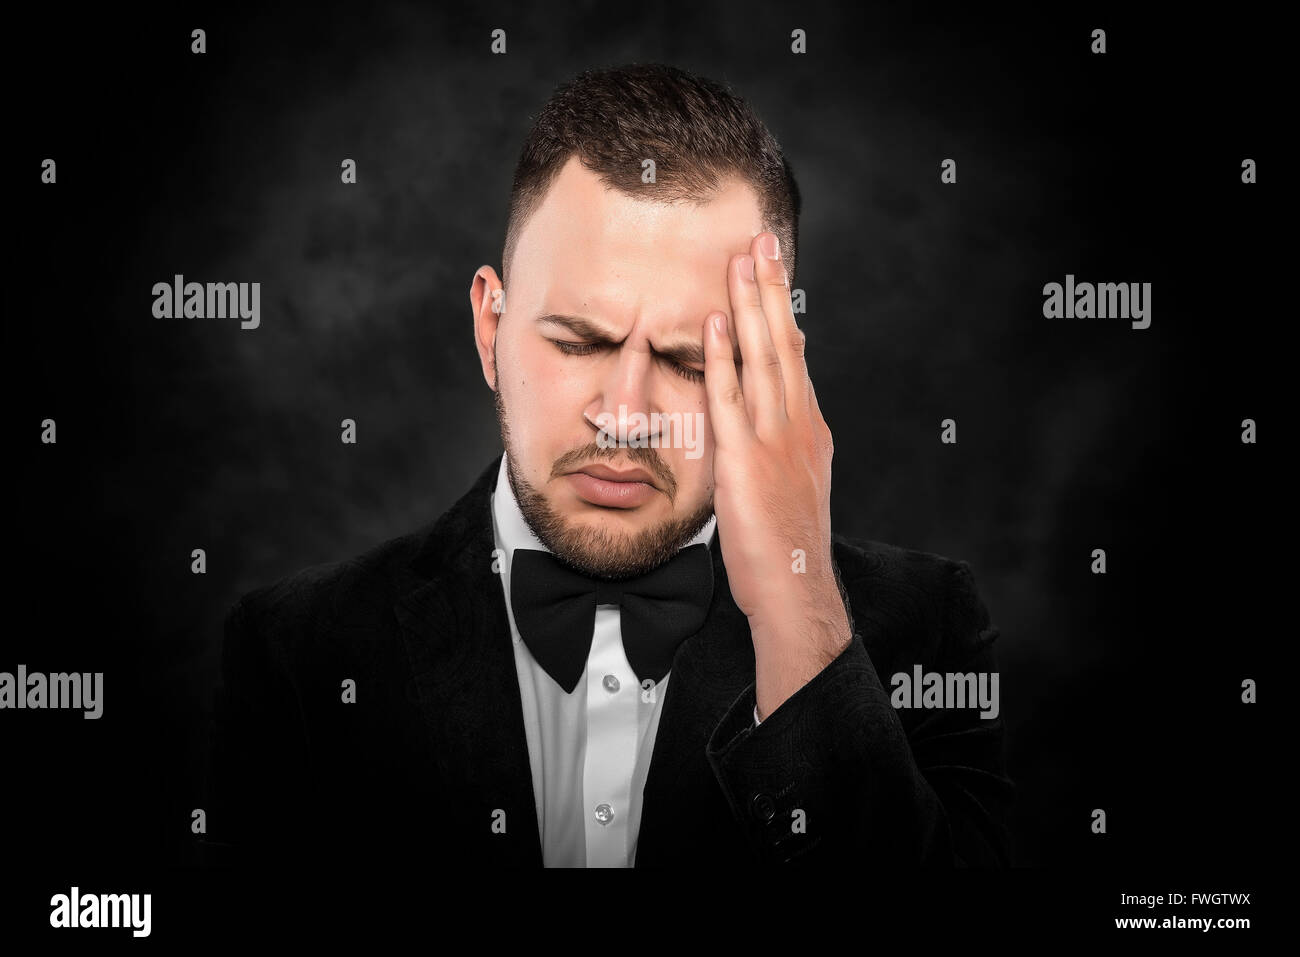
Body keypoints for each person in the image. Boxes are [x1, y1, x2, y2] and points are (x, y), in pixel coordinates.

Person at [203, 62, 1013, 868]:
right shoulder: (297, 652)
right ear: (491, 329)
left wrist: (797, 609)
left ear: (780, 378)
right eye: (579, 341)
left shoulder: (924, 631)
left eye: (691, 361)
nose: (625, 415)